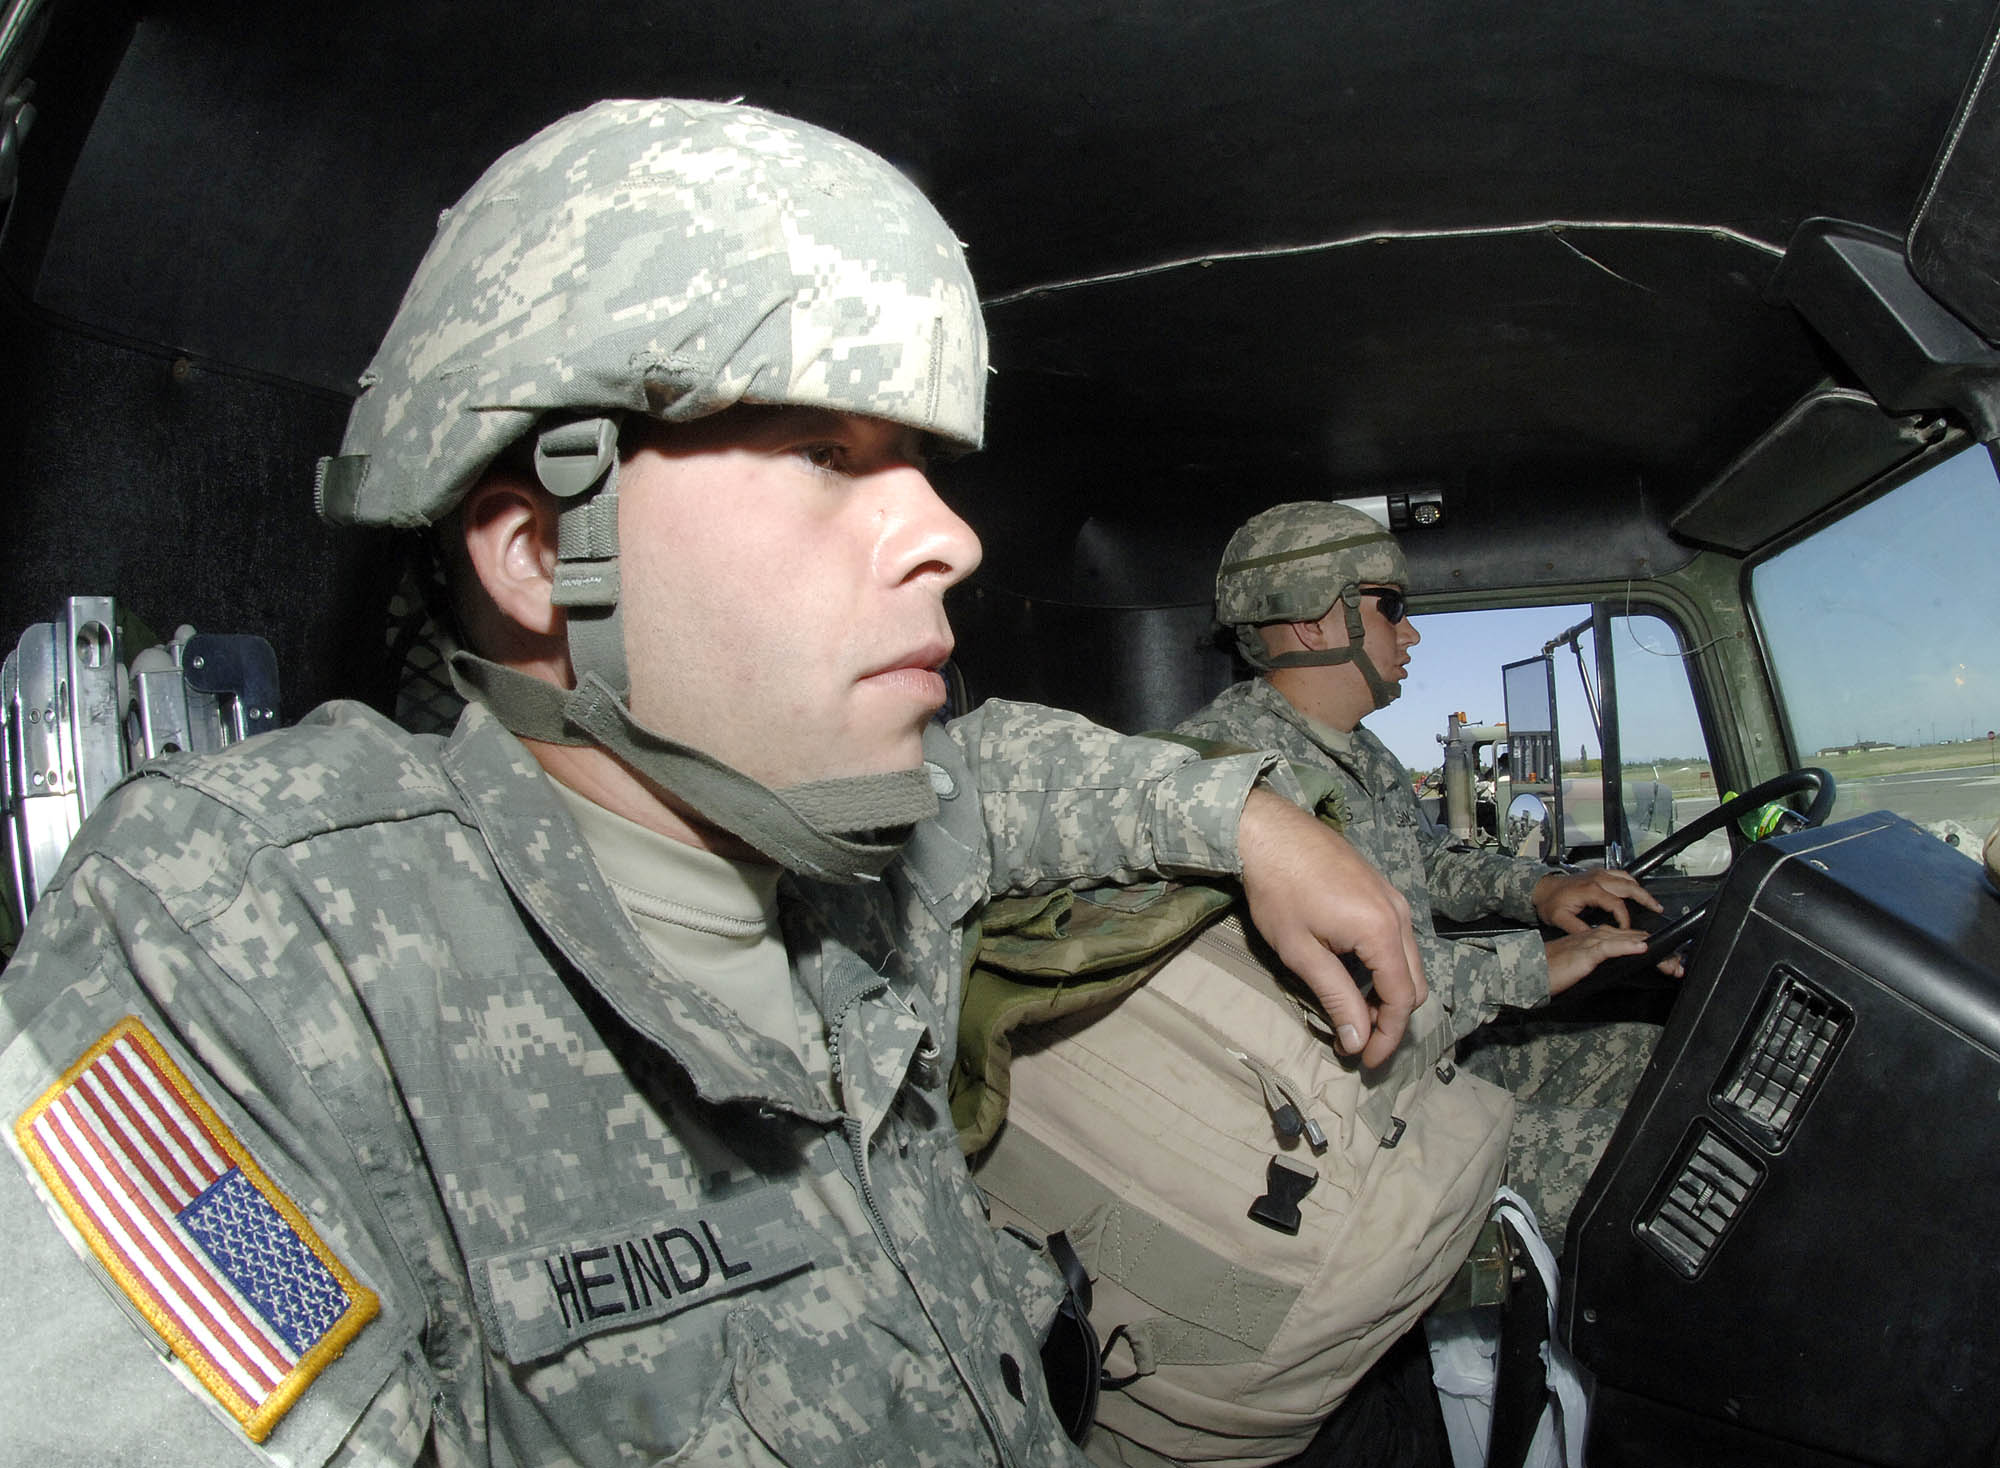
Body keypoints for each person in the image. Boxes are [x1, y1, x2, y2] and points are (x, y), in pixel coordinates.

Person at [0, 101, 1426, 1467]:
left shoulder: (842, 838)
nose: (950, 537)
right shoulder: (261, 951)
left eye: (923, 466)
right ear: (543, 552)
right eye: (825, 452)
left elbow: (992, 766)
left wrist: (1249, 822)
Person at [1177, 499, 1669, 1243]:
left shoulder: (1360, 750)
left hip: (1429, 1058)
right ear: (1314, 621)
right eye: (1391, 608)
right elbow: (1347, 984)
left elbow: (1423, 862)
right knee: (1658, 1171)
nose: (1410, 632)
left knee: (1662, 1063)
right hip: (1351, 1114)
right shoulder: (1233, 774)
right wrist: (1533, 964)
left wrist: (1539, 889)